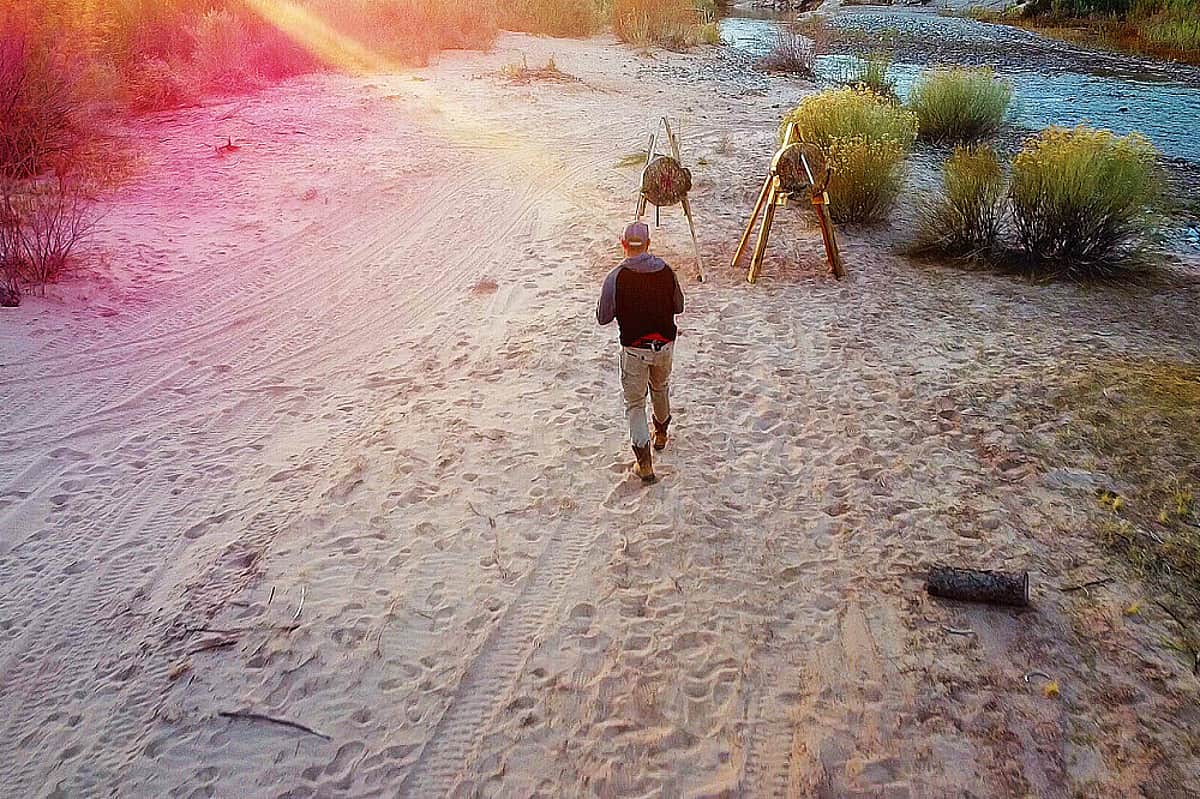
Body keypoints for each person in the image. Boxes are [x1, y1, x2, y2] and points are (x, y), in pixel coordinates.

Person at [596, 221, 685, 483]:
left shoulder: (615, 277)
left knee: (635, 404)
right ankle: (661, 434)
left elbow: (603, 317)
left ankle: (644, 463)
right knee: (660, 387)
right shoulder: (666, 271)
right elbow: (679, 307)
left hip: (634, 349)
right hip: (664, 345)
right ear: (648, 244)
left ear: (623, 244)